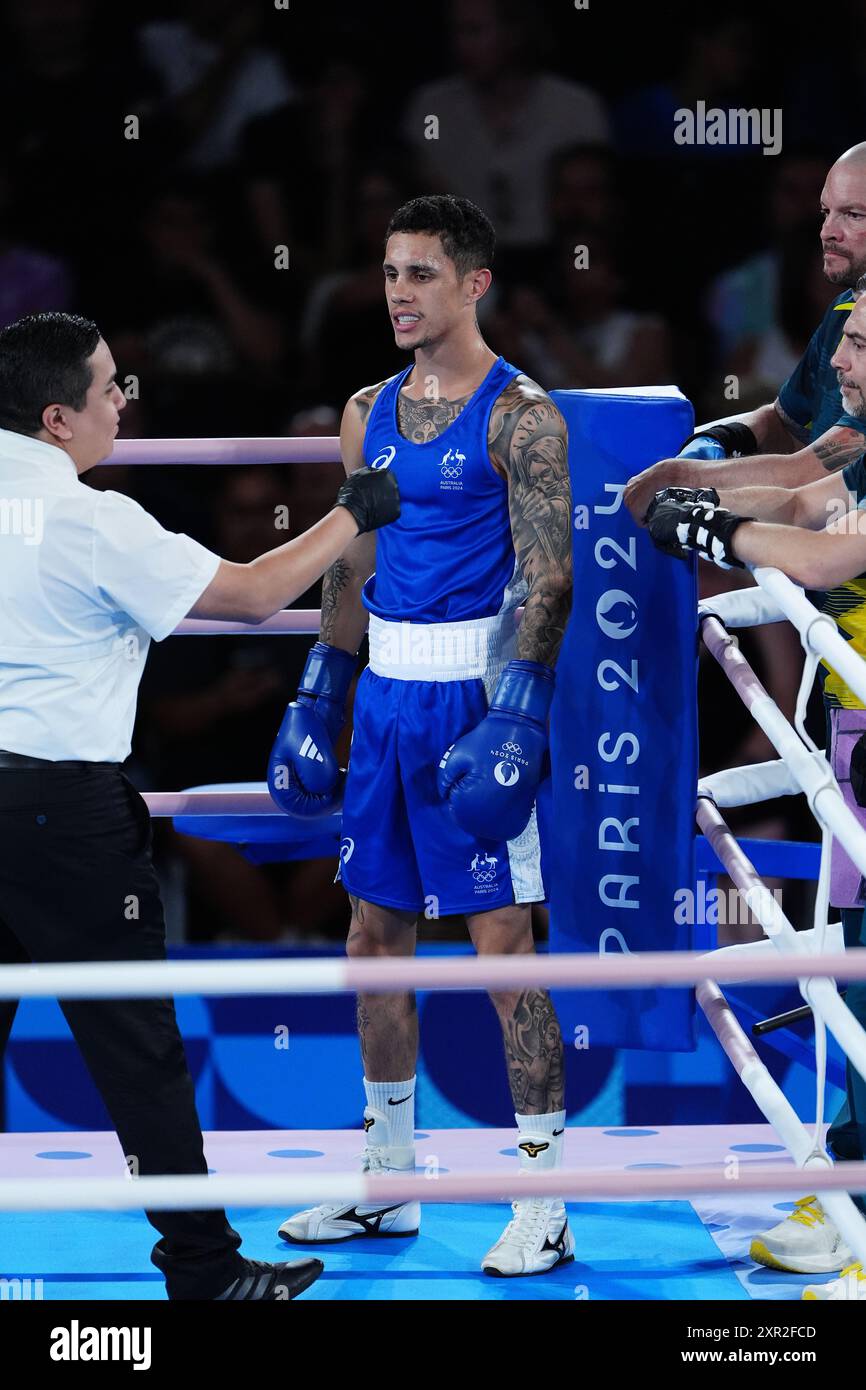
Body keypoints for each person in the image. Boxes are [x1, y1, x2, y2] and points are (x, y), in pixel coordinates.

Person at [0, 311, 399, 1300]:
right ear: (56, 418)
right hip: (61, 814)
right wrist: (354, 511)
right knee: (135, 1046)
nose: (124, 401)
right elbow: (257, 594)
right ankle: (206, 1270)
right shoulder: (93, 521)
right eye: (108, 387)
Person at [268, 194, 574, 1277]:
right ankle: (387, 1183)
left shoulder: (521, 416)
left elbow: (549, 577)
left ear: (474, 282)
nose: (398, 292)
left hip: (474, 699)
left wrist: (519, 710)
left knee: (502, 950)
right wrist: (321, 687)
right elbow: (351, 561)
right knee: (371, 941)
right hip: (385, 702)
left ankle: (544, 1199)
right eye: (391, 272)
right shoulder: (366, 410)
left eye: (421, 274)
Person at [641, 289, 866, 1302]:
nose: (837, 360)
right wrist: (687, 483)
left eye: (859, 344)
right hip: (856, 734)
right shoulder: (856, 444)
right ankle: (851, 1196)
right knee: (853, 966)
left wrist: (718, 531)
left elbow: (827, 552)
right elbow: (805, 493)